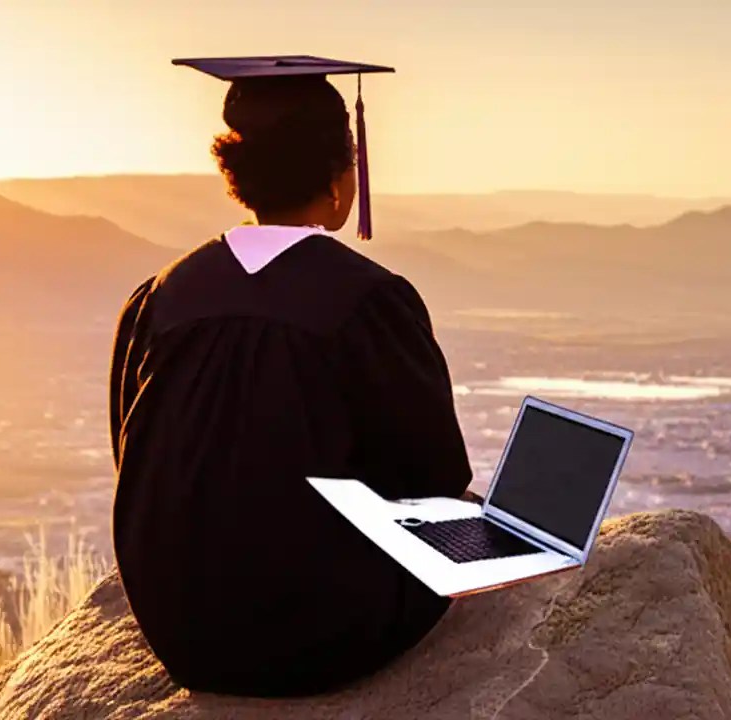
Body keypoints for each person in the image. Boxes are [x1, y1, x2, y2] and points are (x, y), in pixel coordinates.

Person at [108, 58, 473, 697]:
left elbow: (136, 453)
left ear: (237, 174)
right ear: (341, 176)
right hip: (318, 632)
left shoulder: (163, 296)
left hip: (178, 629)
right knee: (460, 537)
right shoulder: (366, 301)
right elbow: (433, 479)